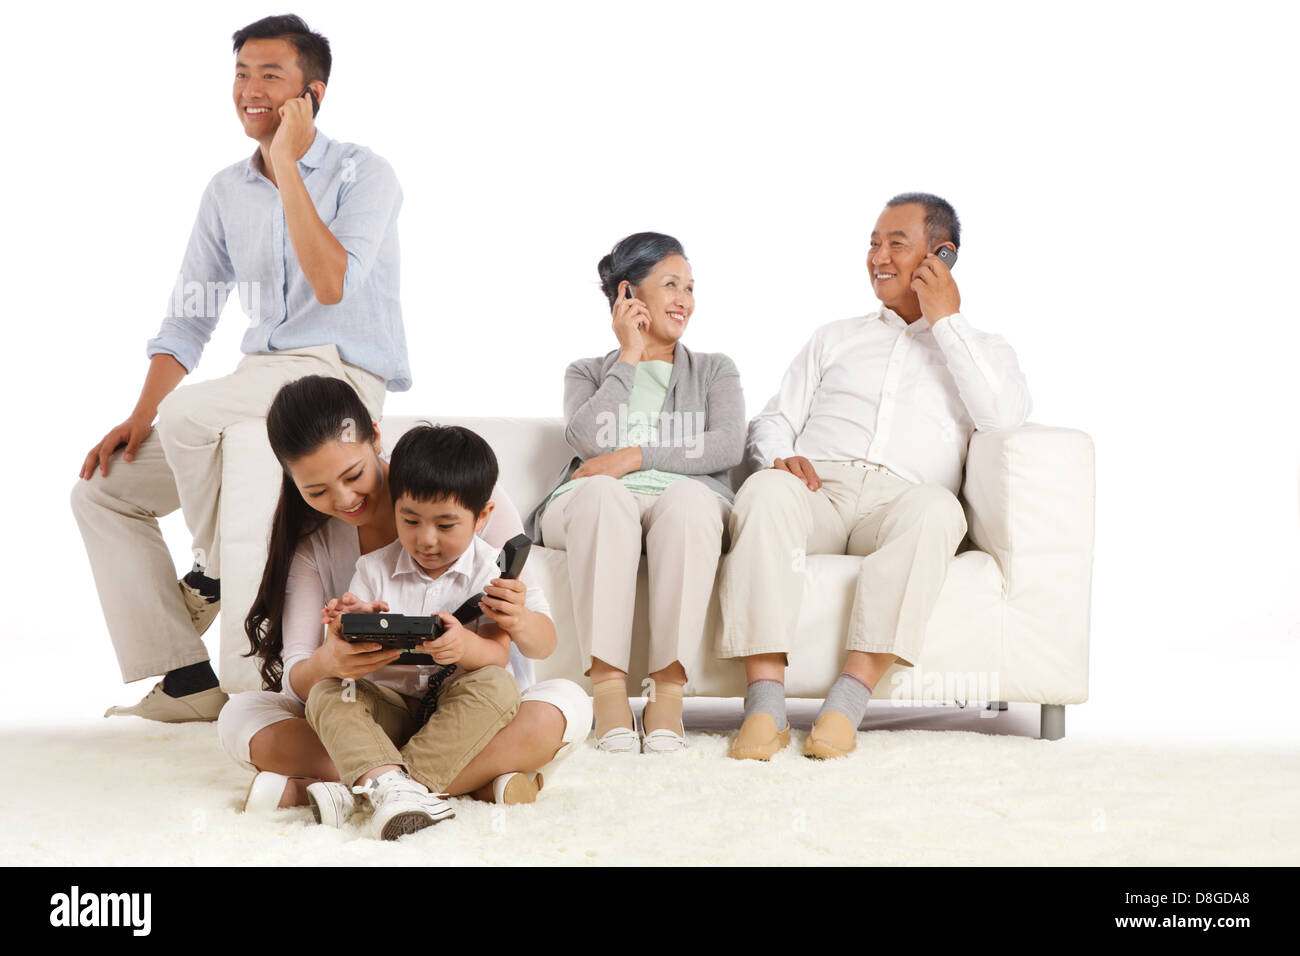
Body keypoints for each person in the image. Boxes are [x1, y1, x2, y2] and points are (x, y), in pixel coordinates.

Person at [71, 14, 407, 722]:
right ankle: (186, 677)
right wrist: (137, 417)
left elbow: (331, 284)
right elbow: (190, 316)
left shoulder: (364, 173)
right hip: (261, 376)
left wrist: (288, 165)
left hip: (336, 377)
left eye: (271, 76)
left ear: (311, 94)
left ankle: (214, 573)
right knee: (105, 491)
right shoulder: (225, 192)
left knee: (193, 413)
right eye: (241, 74)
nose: (250, 90)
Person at [718, 193, 1032, 760]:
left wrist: (947, 322)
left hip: (901, 501)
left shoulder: (984, 349)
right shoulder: (835, 337)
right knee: (764, 489)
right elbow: (775, 418)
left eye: (896, 243)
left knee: (941, 509)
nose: (877, 257)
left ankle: (845, 705)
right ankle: (764, 706)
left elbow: (1002, 418)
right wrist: (777, 456)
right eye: (872, 243)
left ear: (942, 254)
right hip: (819, 490)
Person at [219, 376, 591, 813]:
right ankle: (462, 782)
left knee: (567, 705)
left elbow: (529, 634)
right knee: (240, 717)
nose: (345, 499)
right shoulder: (334, 554)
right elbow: (301, 675)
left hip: (473, 713)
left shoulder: (458, 485)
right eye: (316, 491)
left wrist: (508, 622)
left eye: (353, 474)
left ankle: (352, 789)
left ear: (376, 436)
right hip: (374, 709)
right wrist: (331, 659)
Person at [525, 232, 744, 753]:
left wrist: (636, 456)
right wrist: (629, 355)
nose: (685, 299)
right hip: (593, 499)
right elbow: (586, 439)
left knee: (689, 501)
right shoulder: (589, 371)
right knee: (604, 493)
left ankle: (668, 695)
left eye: (690, 287)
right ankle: (607, 694)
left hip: (682, 495)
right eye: (671, 284)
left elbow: (727, 444)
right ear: (629, 295)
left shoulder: (715, 369)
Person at [297, 423, 556, 839]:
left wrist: (464, 643)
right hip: (390, 710)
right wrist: (353, 621)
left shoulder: (492, 572)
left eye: (446, 525)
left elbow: (498, 657)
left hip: (457, 717)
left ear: (483, 517)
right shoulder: (373, 568)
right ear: (394, 506)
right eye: (410, 520)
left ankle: (379, 788)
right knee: (329, 691)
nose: (426, 540)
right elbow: (344, 657)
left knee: (498, 686)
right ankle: (404, 788)